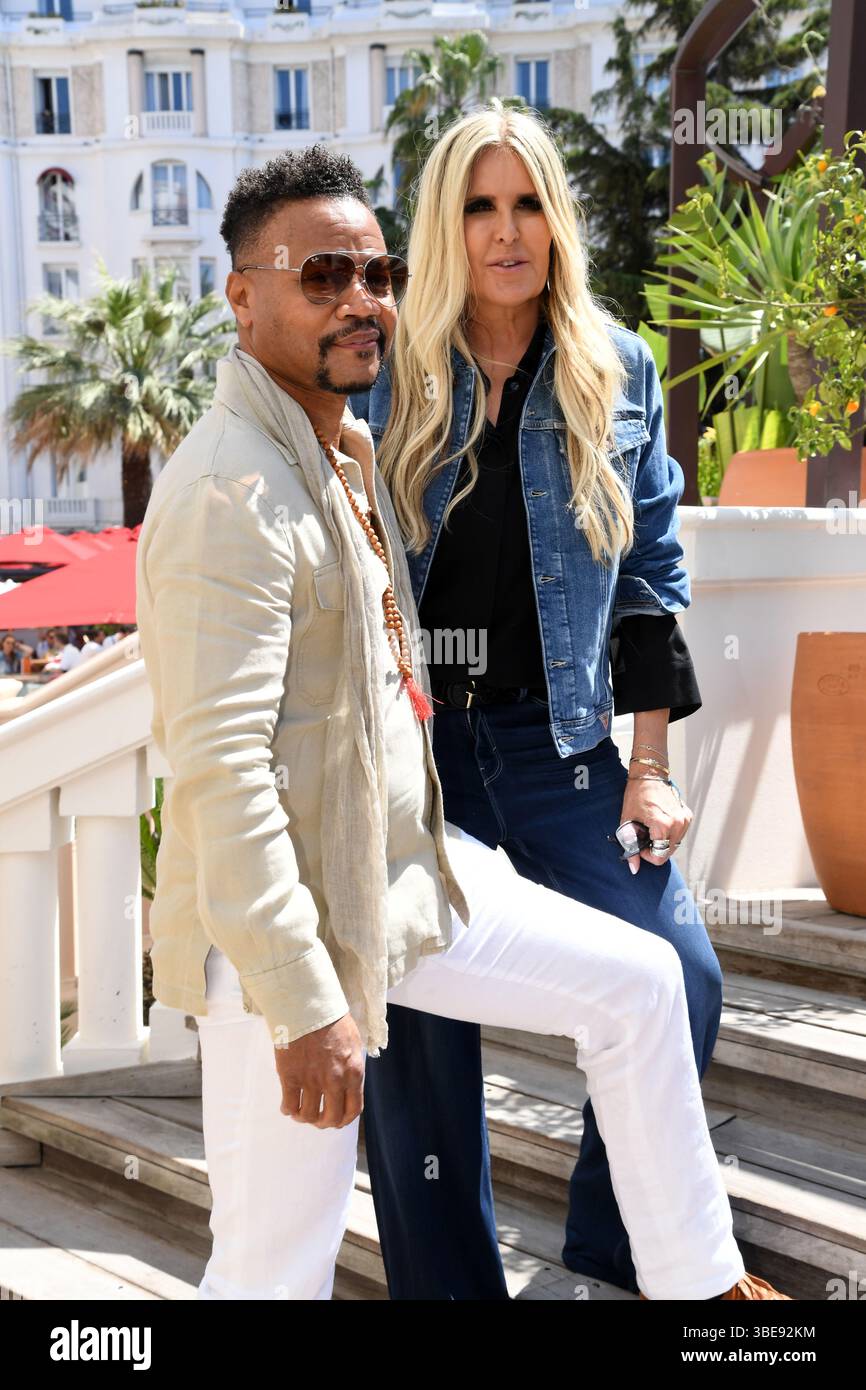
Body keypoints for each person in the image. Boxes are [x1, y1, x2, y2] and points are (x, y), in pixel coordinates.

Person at [135, 144, 788, 1302]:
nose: (355, 300)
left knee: (650, 981)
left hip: (442, 831)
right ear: (243, 295)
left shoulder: (341, 438)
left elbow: (643, 579)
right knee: (275, 1260)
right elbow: (224, 770)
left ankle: (689, 1285)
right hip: (317, 907)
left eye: (370, 273)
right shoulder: (243, 479)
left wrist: (644, 765)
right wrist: (303, 1001)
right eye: (321, 274)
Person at [345, 101, 728, 1300]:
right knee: (414, 1041)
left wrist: (647, 765)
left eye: (524, 204)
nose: (504, 233)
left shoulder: (615, 365)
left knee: (682, 971)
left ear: (553, 218)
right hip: (415, 748)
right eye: (476, 206)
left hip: (556, 743)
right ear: (443, 224)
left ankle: (618, 1251)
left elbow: (650, 582)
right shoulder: (385, 367)